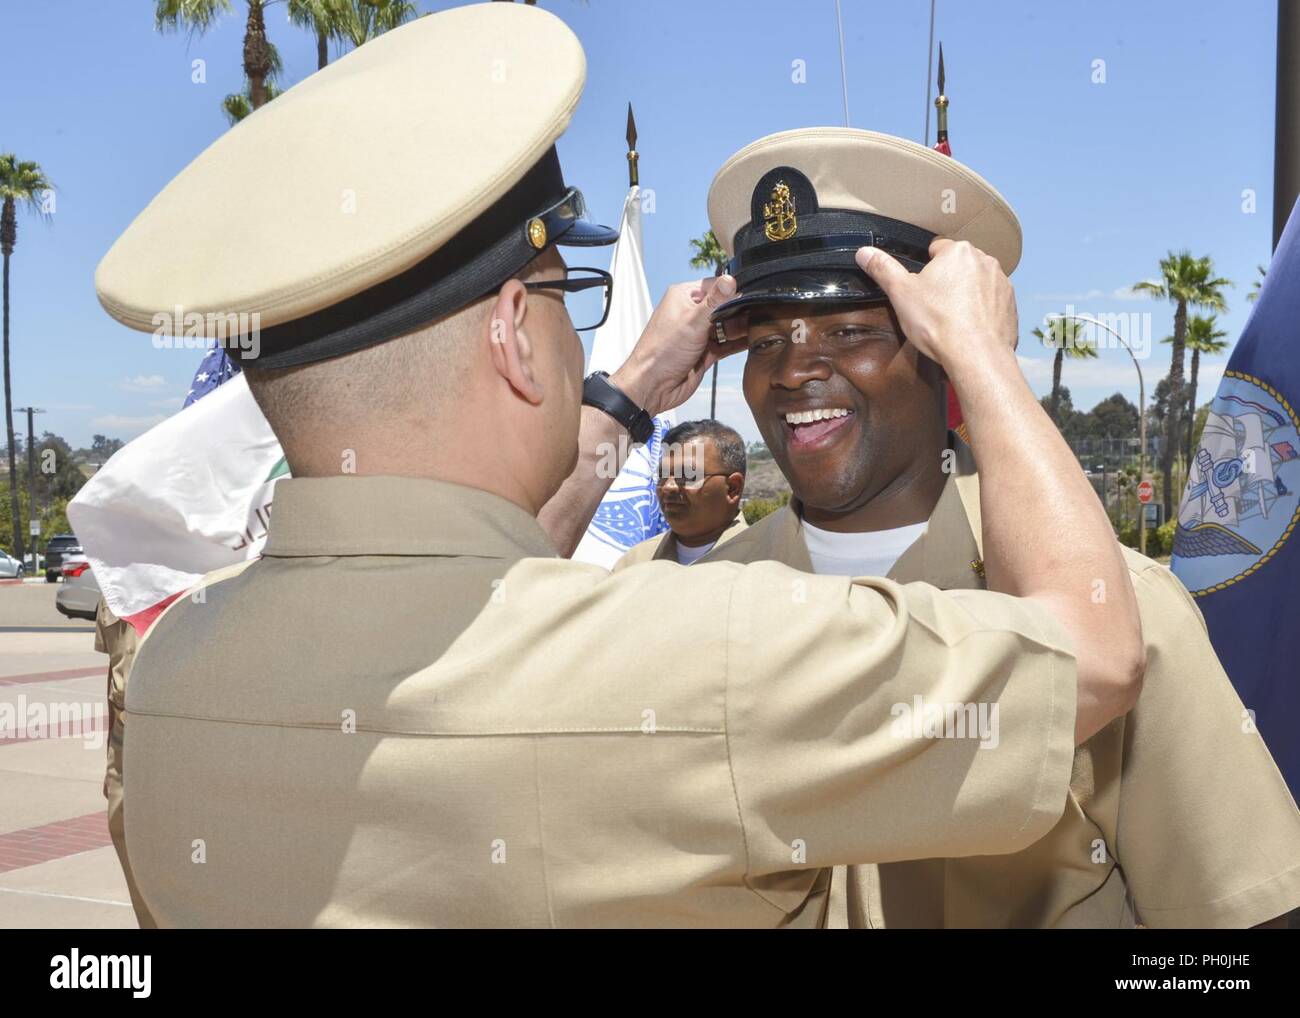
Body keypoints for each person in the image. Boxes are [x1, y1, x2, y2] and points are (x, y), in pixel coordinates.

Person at [97, 5, 1143, 927]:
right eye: (566, 293)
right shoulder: (712, 644)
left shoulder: (169, 671)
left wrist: (627, 393)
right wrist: (982, 357)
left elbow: (478, 585)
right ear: (514, 331)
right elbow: (1089, 655)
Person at [700, 127, 1300, 928]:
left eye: (848, 331)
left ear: (942, 346)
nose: (793, 370)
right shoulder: (696, 602)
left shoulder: (1121, 609)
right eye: (765, 339)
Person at [614, 419, 747, 569]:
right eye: (662, 476)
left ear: (732, 488)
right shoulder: (635, 563)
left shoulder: (763, 558)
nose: (668, 487)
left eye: (688, 476)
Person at [93, 597, 153, 927]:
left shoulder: (200, 571)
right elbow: (115, 673)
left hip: (177, 742)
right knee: (127, 841)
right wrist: (109, 760)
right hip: (124, 739)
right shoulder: (112, 580)